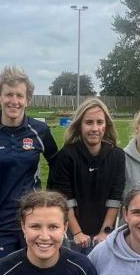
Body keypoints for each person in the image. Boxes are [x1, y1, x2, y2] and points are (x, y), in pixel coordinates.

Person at [0, 66, 59, 269]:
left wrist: (50, 202)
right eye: (8, 94)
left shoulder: (40, 131)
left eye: (19, 95)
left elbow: (58, 165)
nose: (14, 101)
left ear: (27, 100)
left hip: (34, 222)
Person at [47, 98, 125, 253]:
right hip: (72, 231)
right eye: (89, 122)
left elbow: (115, 198)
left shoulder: (117, 155)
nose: (95, 128)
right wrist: (77, 233)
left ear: (106, 125)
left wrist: (105, 232)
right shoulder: (66, 156)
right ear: (79, 126)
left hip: (103, 231)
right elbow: (64, 199)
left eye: (99, 122)